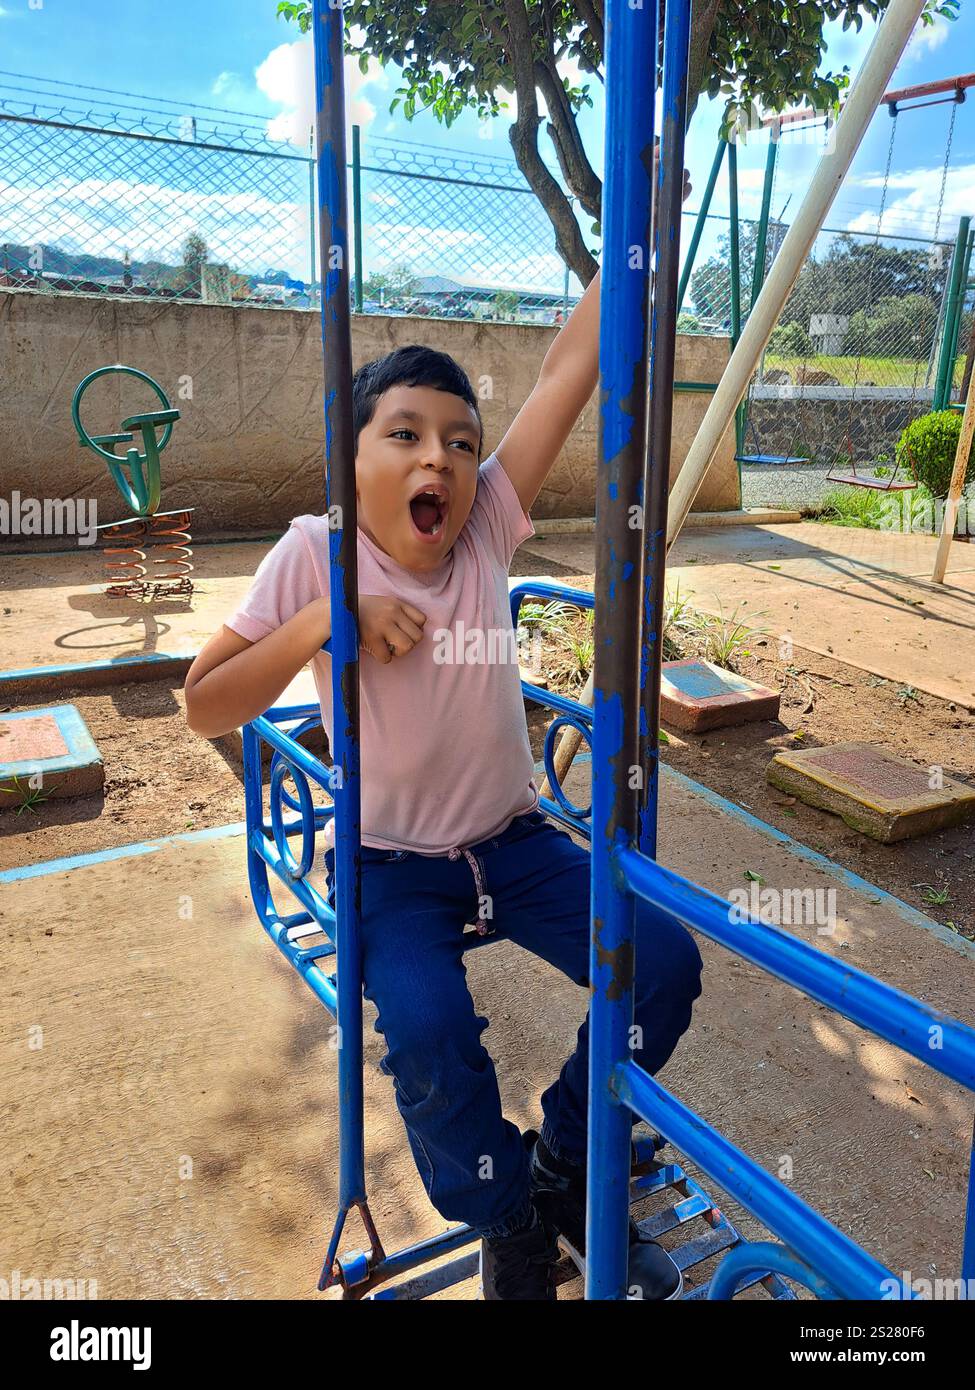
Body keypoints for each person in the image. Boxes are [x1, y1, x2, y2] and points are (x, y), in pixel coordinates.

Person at [184, 258, 702, 1302]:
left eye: (462, 442)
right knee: (427, 1034)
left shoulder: (485, 527)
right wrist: (323, 621)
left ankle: (561, 1159)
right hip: (392, 867)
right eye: (408, 434)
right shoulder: (312, 554)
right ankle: (505, 1210)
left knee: (664, 963)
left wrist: (633, 247)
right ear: (354, 461)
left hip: (512, 843)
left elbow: (566, 371)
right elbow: (204, 701)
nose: (443, 458)